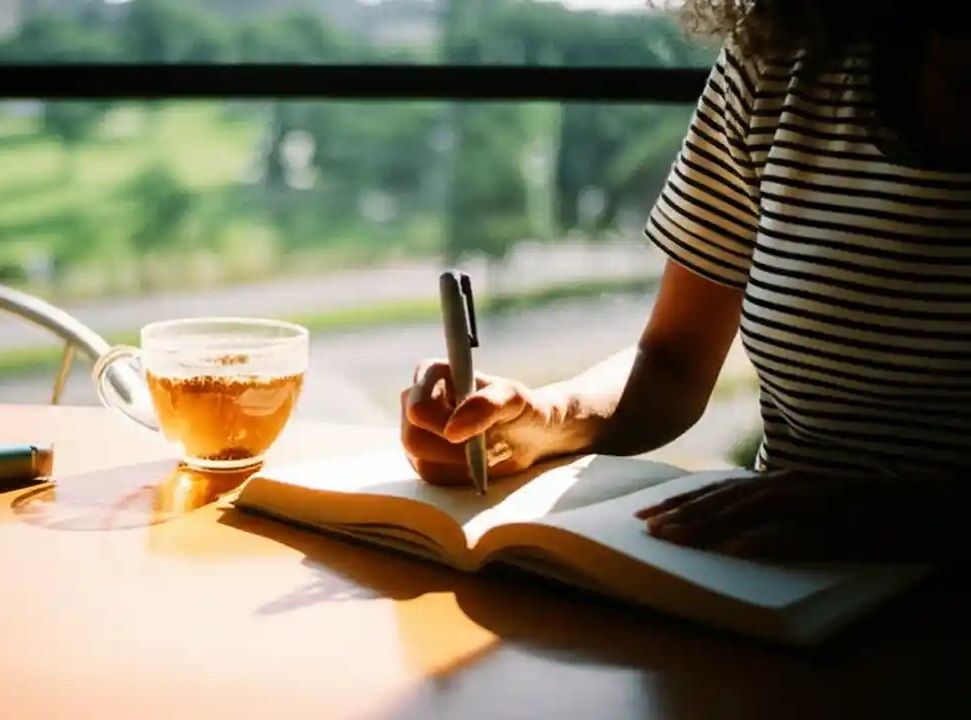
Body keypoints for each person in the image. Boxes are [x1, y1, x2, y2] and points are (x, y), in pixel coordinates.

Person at [401, 3, 969, 562]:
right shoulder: (779, 64)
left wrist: (913, 519)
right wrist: (541, 421)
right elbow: (672, 362)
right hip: (777, 587)